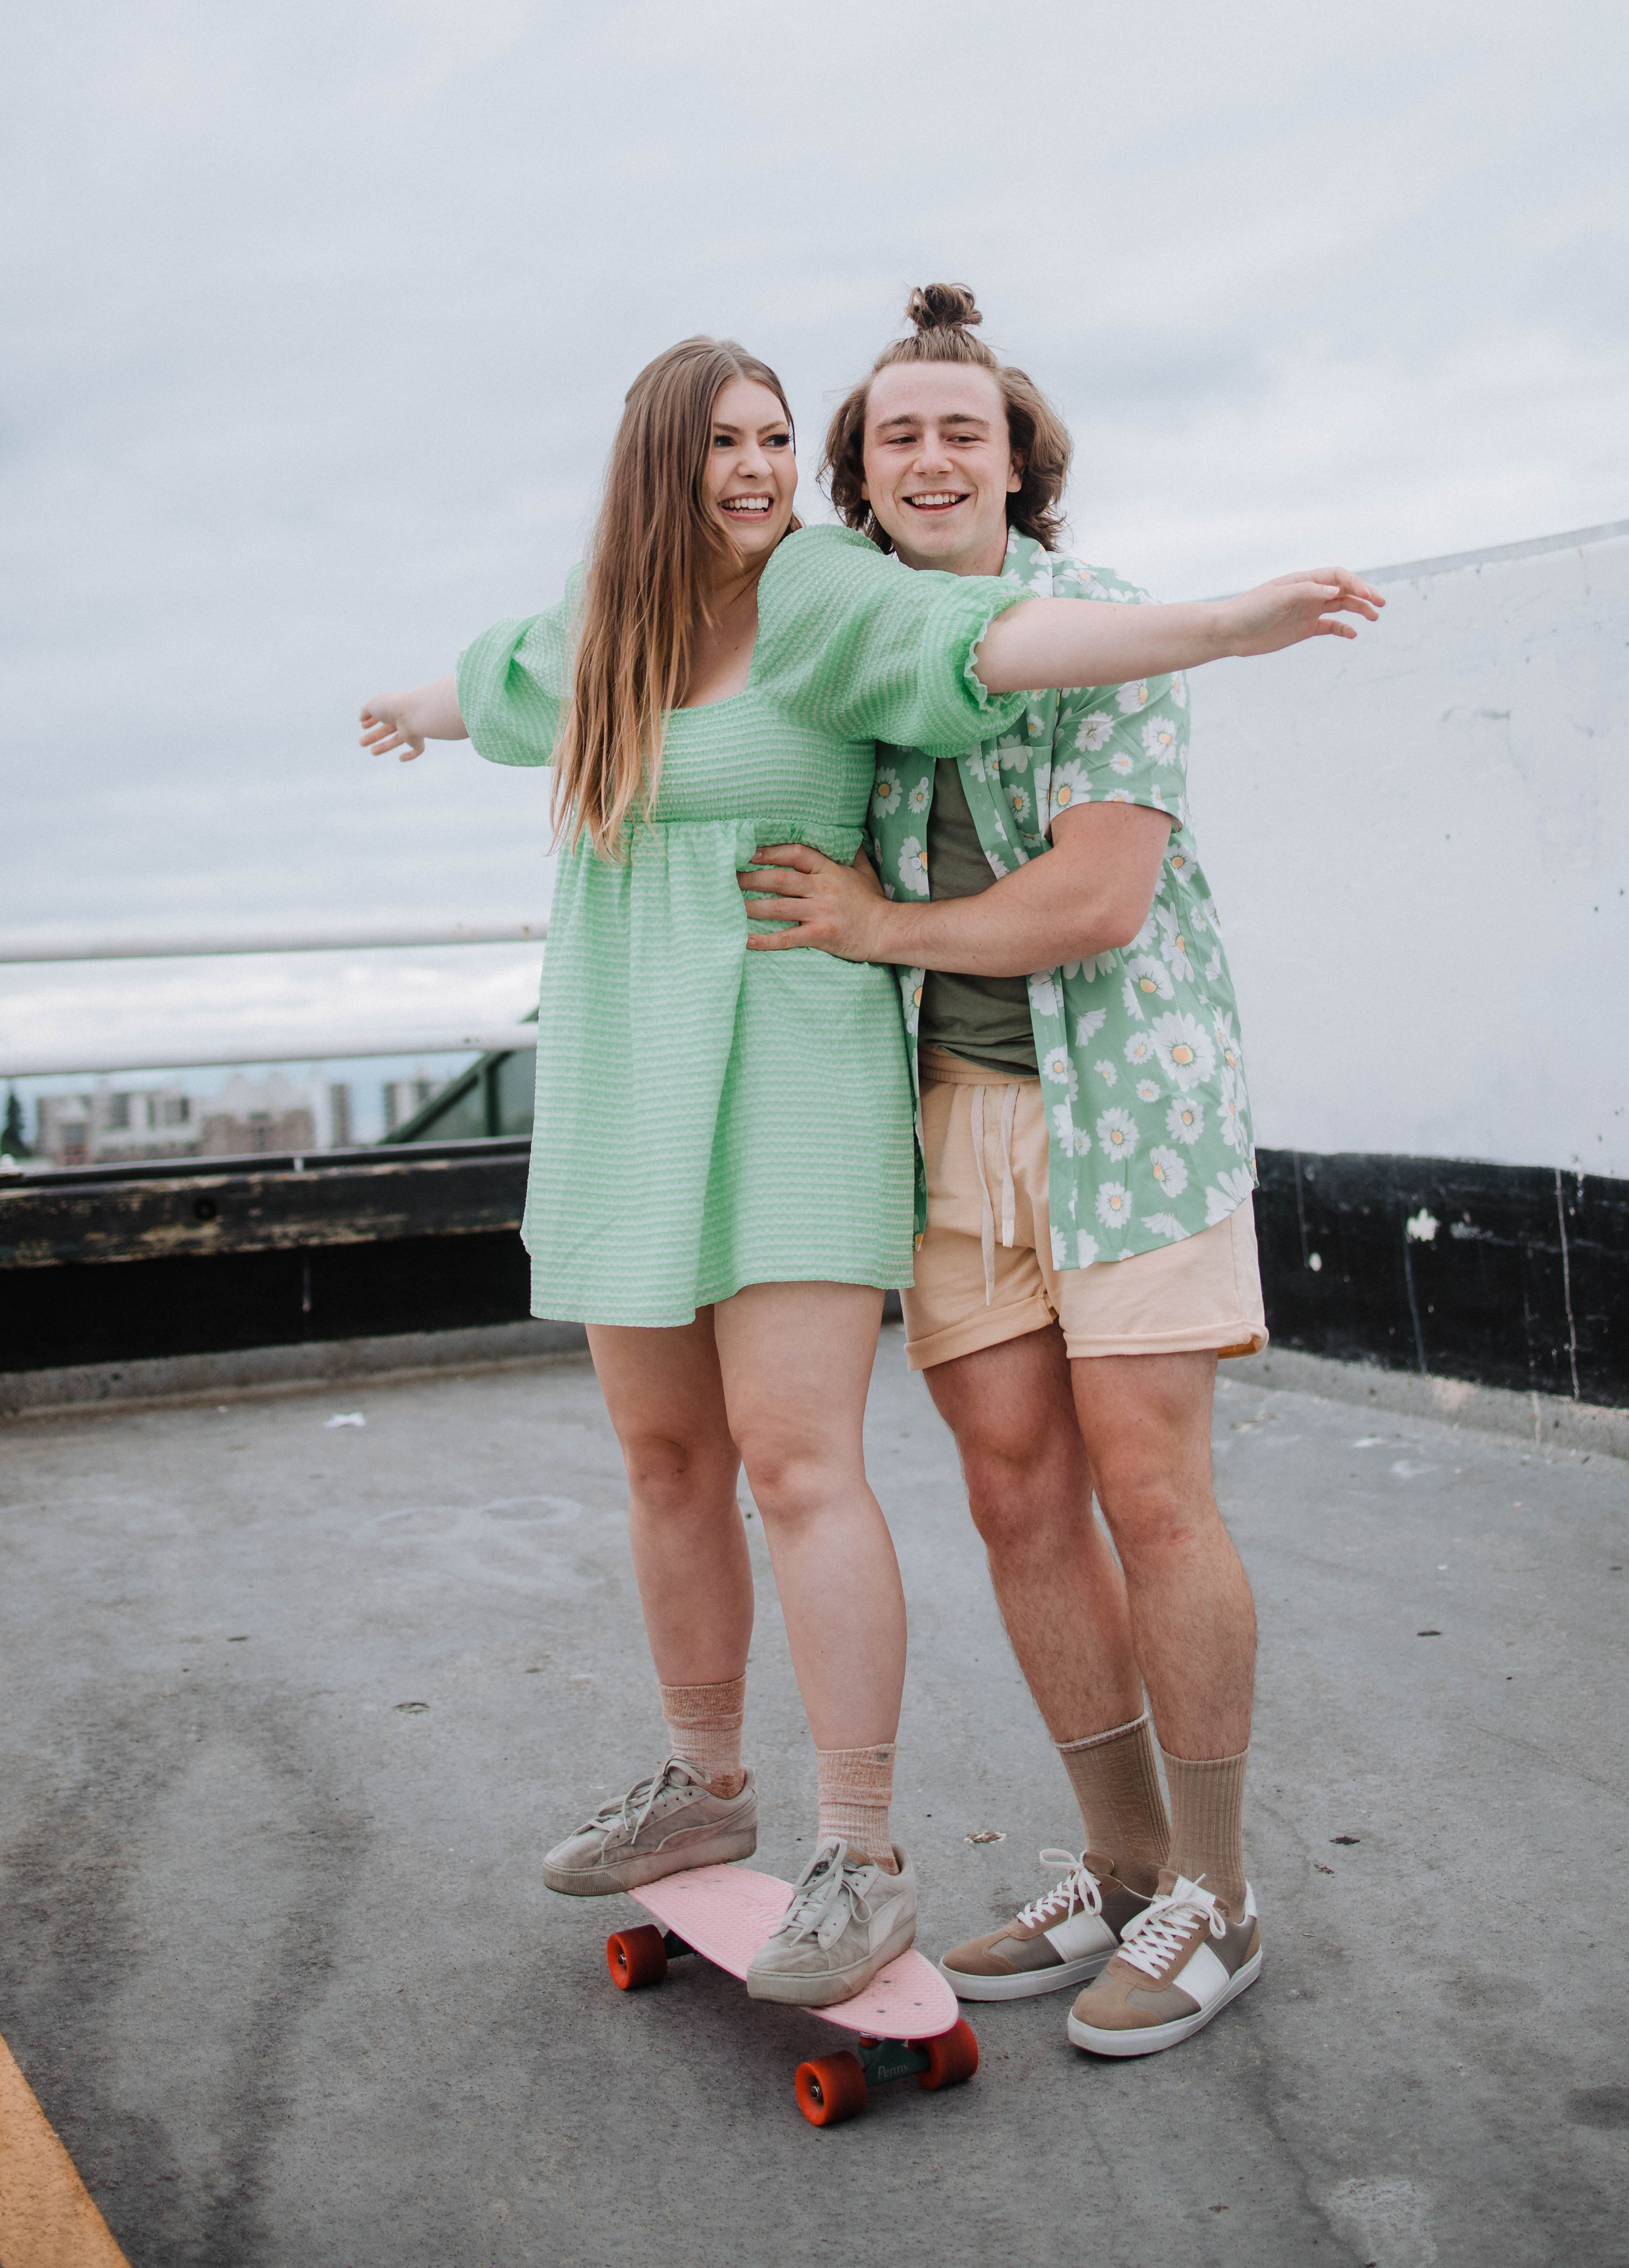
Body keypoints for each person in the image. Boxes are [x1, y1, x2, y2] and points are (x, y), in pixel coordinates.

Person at [361, 330, 1374, 2010]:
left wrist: (1222, 622)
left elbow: (1021, 672)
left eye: (776, 439)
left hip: (1001, 1091)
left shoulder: (856, 603)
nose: (758, 470)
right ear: (663, 468)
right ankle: (994, 1842)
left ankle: (1111, 1876)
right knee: (871, 1477)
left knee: (1023, 1479)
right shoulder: (624, 623)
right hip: (744, 1089)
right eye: (730, 444)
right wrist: (411, 704)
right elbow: (506, 680)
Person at [740, 284, 1382, 2058]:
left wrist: (876, 924)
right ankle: (1115, 1865)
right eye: (897, 434)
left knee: (1151, 1490)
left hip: (1133, 1107)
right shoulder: (857, 640)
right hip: (950, 1126)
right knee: (1017, 1498)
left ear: (1021, 460)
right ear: (860, 480)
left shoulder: (1108, 624)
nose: (933, 455)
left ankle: (1220, 1895)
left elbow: (1096, 898)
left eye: (966, 426)